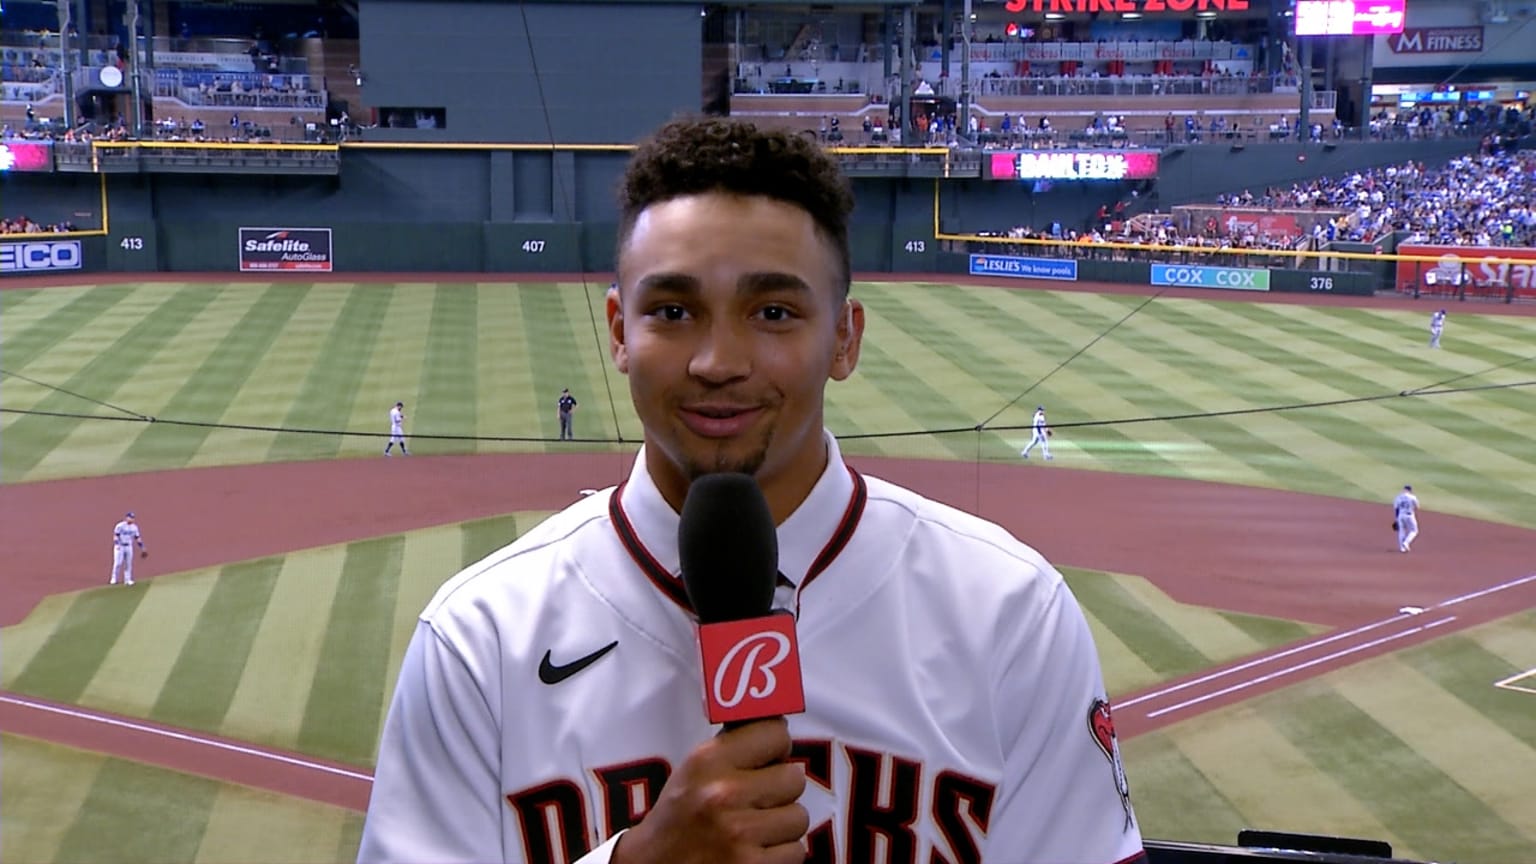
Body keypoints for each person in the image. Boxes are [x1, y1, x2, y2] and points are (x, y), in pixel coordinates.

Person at [358, 118, 1145, 864]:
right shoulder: (480, 640)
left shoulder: (1010, 615)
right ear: (619, 332)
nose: (718, 360)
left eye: (773, 312)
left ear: (845, 337)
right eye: (673, 310)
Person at [109, 511, 147, 586]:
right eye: (130, 517)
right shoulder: (120, 526)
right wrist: (117, 545)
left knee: (128, 563)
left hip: (129, 546)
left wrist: (142, 547)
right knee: (118, 563)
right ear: (126, 518)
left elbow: (137, 538)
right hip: (120, 546)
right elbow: (115, 536)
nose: (132, 519)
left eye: (133, 518)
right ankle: (114, 579)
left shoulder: (134, 527)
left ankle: (128, 580)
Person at [1393, 484, 1421, 553]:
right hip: (1410, 515)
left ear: (1404, 490)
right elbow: (1418, 507)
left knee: (1401, 531)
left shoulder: (1398, 497)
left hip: (1401, 515)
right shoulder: (1413, 497)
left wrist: (1396, 518)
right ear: (1410, 491)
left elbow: (1396, 508)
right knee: (1414, 530)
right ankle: (1406, 542)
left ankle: (1402, 548)